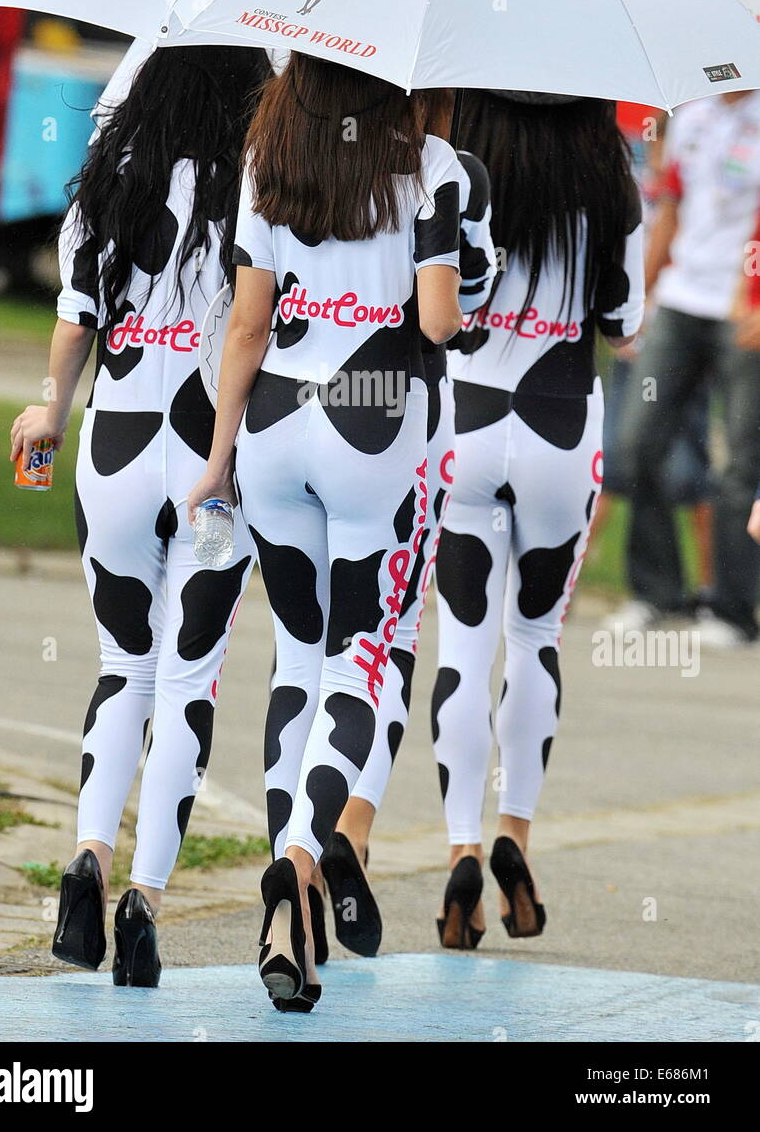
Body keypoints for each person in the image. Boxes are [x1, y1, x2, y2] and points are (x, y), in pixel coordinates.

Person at [187, 52, 465, 1011]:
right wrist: (471, 286)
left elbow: (246, 328)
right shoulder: (433, 166)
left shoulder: (268, 163)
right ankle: (304, 856)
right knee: (361, 660)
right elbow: (434, 322)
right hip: (374, 422)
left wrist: (217, 460)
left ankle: (287, 918)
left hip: (270, 426)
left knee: (295, 662)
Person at [10, 45, 270, 986]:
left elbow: (76, 319)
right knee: (188, 678)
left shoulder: (107, 181)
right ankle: (146, 899)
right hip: (212, 467)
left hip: (110, 452)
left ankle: (88, 855)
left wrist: (49, 409)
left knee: (123, 667)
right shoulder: (259, 181)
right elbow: (259, 325)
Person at [431, 89, 645, 945]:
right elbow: (623, 321)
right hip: (563, 420)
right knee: (535, 640)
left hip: (468, 417)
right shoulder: (610, 176)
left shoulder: (461, 169)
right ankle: (515, 832)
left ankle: (460, 848)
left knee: (463, 643)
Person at [318, 91, 497, 958]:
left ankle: (297, 849)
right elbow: (454, 314)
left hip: (297, 415)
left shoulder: (302, 152)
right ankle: (350, 831)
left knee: (308, 649)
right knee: (386, 643)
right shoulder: (450, 172)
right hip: (409, 427)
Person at [616, 90, 760, 646]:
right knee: (635, 444)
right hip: (680, 302)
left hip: (741, 308)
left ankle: (732, 610)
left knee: (741, 462)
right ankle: (658, 594)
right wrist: (639, 301)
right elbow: (671, 211)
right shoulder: (691, 115)